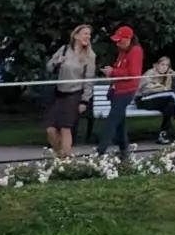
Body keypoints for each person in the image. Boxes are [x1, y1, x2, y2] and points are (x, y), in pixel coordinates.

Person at [43, 23, 95, 157]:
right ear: (76, 35)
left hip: (74, 95)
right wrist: (56, 62)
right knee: (51, 129)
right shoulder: (64, 49)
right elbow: (49, 67)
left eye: (89, 34)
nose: (88, 36)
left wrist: (84, 101)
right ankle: (62, 156)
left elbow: (89, 80)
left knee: (66, 128)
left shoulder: (90, 55)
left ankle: (65, 160)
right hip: (59, 94)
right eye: (85, 33)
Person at [97, 24, 144, 156]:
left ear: (128, 39)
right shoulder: (123, 51)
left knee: (112, 120)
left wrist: (113, 72)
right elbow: (121, 69)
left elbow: (133, 73)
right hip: (118, 89)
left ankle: (101, 150)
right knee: (120, 120)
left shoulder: (135, 51)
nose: (117, 44)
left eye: (120, 40)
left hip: (127, 90)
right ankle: (124, 148)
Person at [136, 55, 175, 142]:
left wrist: (170, 73)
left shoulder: (167, 75)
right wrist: (162, 88)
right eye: (162, 64)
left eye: (167, 65)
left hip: (156, 100)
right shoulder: (150, 73)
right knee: (171, 94)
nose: (164, 67)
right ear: (157, 65)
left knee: (169, 106)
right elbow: (146, 89)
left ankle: (163, 135)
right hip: (144, 99)